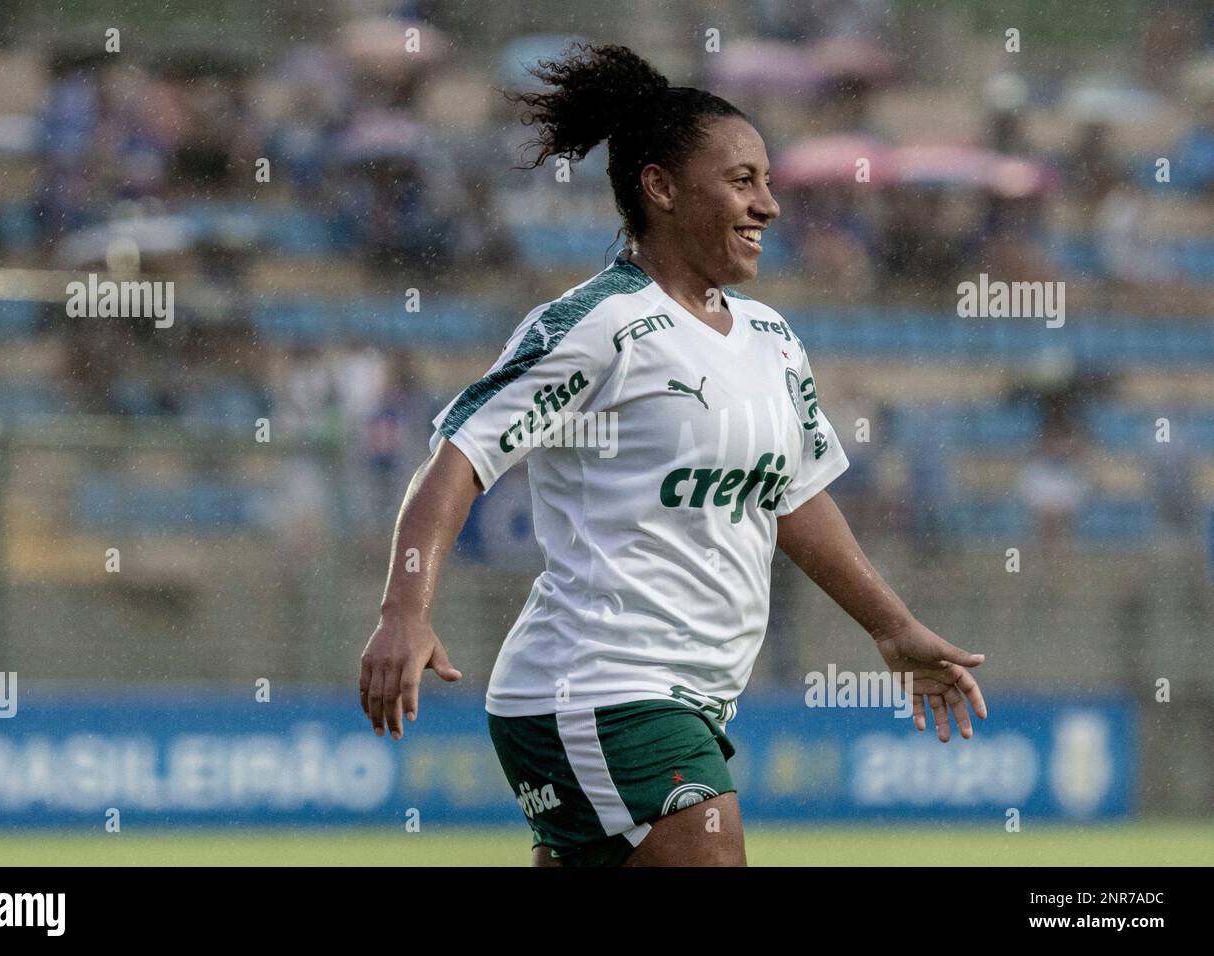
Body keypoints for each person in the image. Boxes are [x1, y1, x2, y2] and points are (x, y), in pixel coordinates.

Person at [358, 43, 987, 867]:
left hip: (693, 703)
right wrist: (403, 610)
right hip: (597, 686)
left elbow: (792, 498)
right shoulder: (598, 324)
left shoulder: (770, 338)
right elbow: (458, 456)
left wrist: (892, 628)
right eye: (741, 181)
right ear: (659, 187)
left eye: (766, 180)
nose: (768, 204)